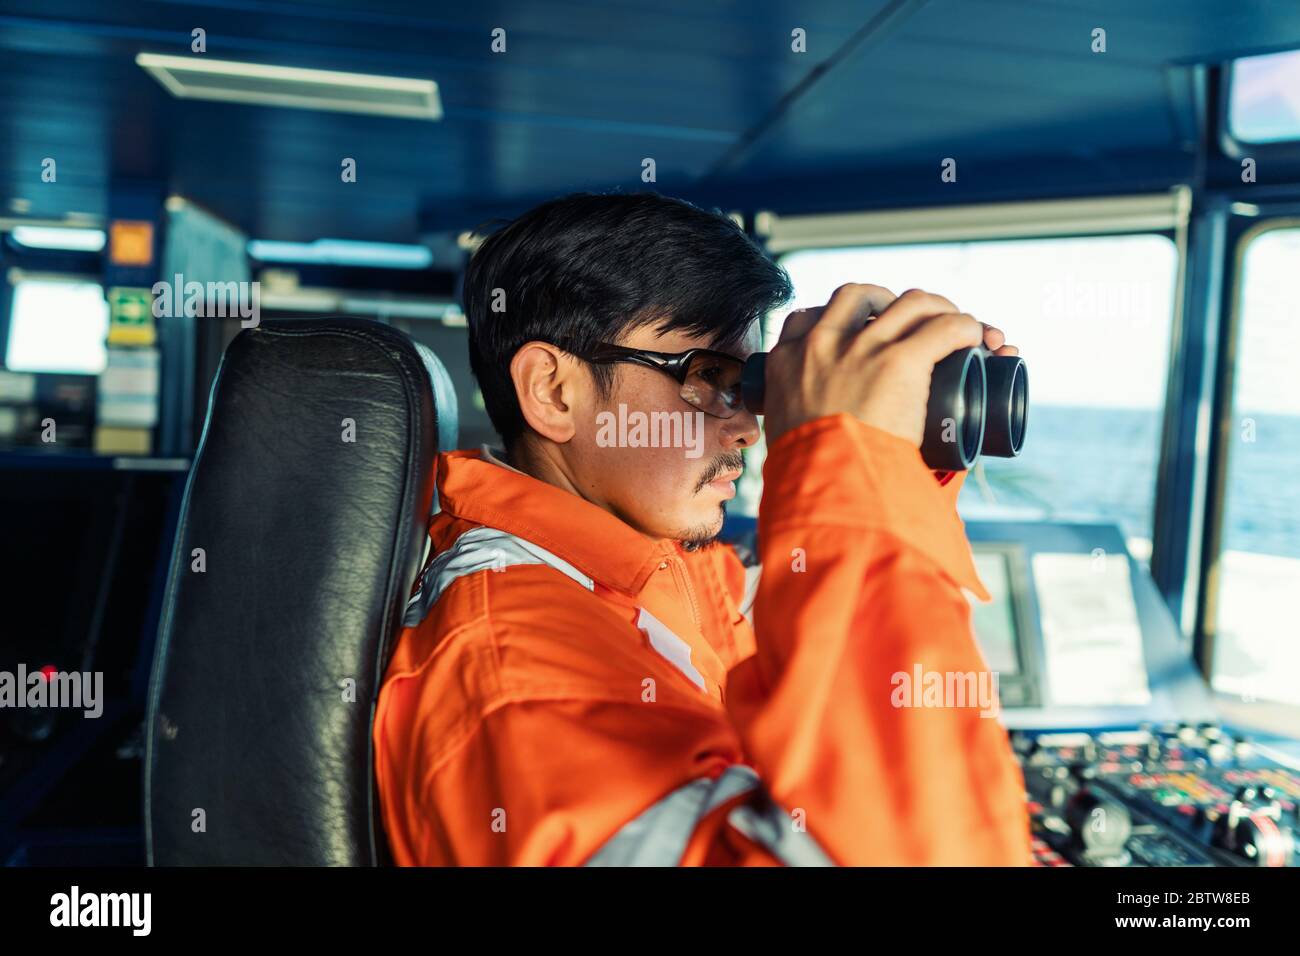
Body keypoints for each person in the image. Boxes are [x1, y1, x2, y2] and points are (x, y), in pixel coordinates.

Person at [372, 191, 1031, 865]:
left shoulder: (644, 568)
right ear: (553, 392)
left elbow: (789, 621)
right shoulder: (510, 669)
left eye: (750, 385)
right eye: (707, 377)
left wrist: (902, 468)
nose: (749, 427)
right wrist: (849, 466)